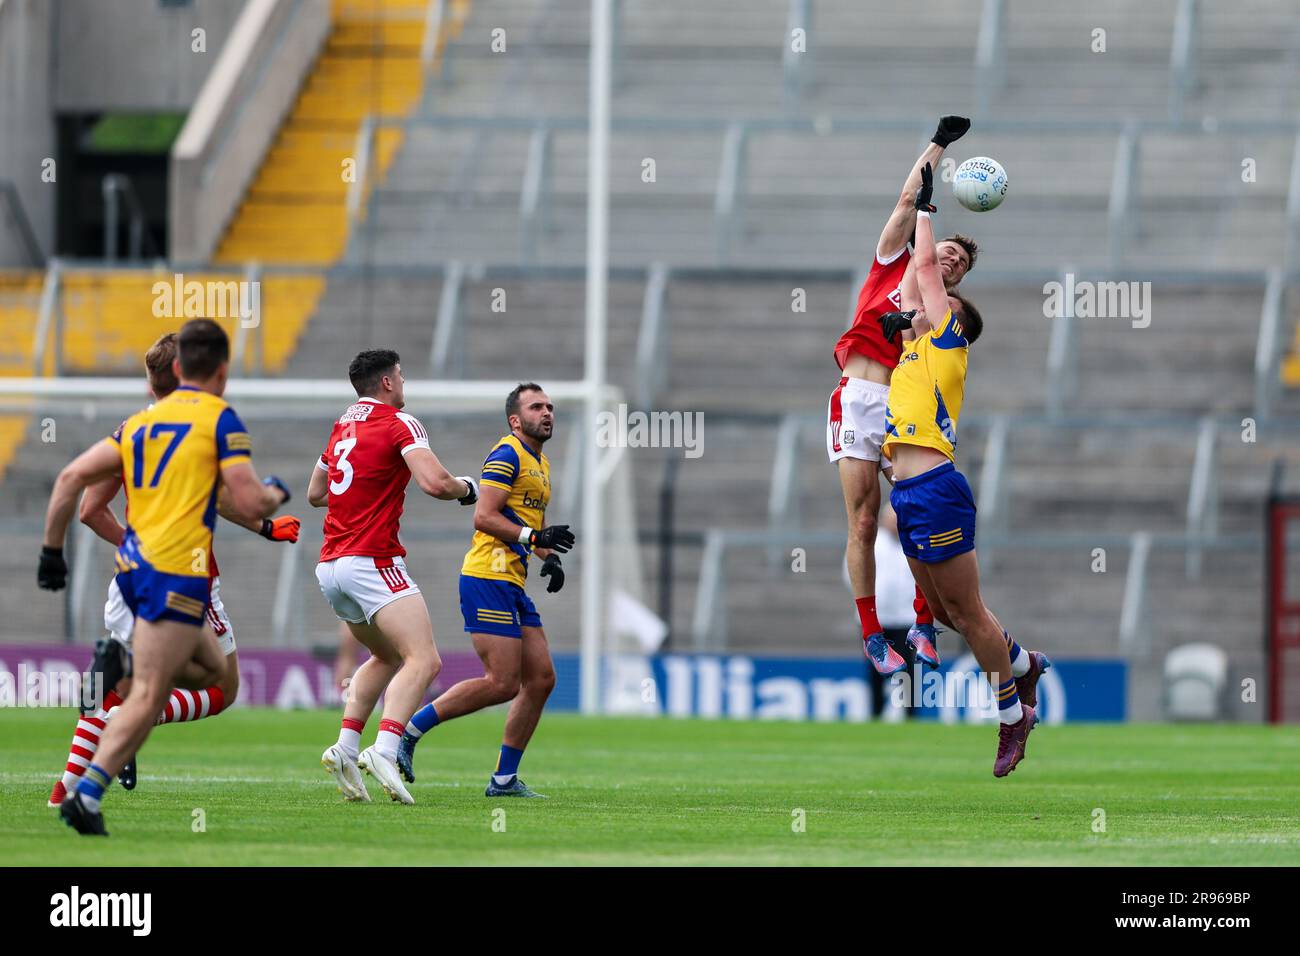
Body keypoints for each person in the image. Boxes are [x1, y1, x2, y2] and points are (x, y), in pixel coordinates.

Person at [39, 319, 287, 834]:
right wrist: (273, 498)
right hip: (181, 575)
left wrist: (52, 555)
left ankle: (72, 785)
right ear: (217, 371)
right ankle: (93, 776)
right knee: (205, 687)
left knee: (164, 682)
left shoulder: (134, 428)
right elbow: (236, 494)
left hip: (130, 574)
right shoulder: (214, 420)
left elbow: (79, 496)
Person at [881, 164, 1047, 777]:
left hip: (935, 489)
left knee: (969, 613)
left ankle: (1012, 715)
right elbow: (906, 282)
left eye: (938, 302)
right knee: (947, 614)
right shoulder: (916, 351)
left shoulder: (949, 341)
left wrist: (927, 210)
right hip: (911, 494)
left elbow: (922, 273)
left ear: (955, 318)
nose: (926, 301)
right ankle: (1024, 663)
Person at [829, 115, 979, 676]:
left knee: (911, 517)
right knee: (864, 521)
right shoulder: (892, 258)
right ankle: (872, 633)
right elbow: (907, 197)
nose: (950, 260)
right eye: (947, 251)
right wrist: (939, 145)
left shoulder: (935, 318)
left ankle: (921, 622)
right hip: (856, 395)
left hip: (899, 410)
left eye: (960, 264)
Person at [311, 349, 478, 805]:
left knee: (384, 658)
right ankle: (384, 748)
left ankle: (345, 747)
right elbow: (435, 483)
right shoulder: (399, 423)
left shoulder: (343, 424)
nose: (404, 383)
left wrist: (364, 488)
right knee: (424, 660)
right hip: (371, 559)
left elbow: (315, 493)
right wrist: (471, 489)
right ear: (387, 382)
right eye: (401, 376)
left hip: (330, 566)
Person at [396, 383, 575, 798]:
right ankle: (409, 730)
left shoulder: (540, 462)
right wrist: (535, 537)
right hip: (486, 576)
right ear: (515, 419)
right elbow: (484, 516)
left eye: (549, 406)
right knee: (502, 682)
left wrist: (549, 556)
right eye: (536, 407)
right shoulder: (506, 453)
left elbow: (525, 523)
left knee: (543, 678)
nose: (547, 412)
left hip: (512, 579)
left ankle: (504, 780)